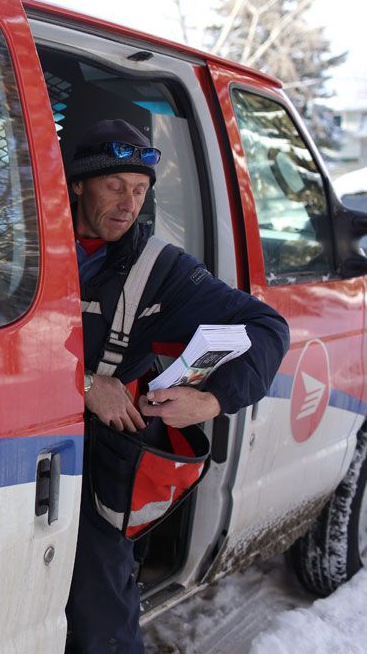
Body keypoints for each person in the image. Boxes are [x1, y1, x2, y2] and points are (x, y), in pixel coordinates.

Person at [63, 119, 290, 654]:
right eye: (115, 185)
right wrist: (89, 381)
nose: (128, 203)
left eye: (140, 191)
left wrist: (212, 398)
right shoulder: (25, 246)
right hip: (7, 450)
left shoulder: (160, 268)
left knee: (100, 623)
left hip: (99, 469)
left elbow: (267, 328)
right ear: (78, 184)